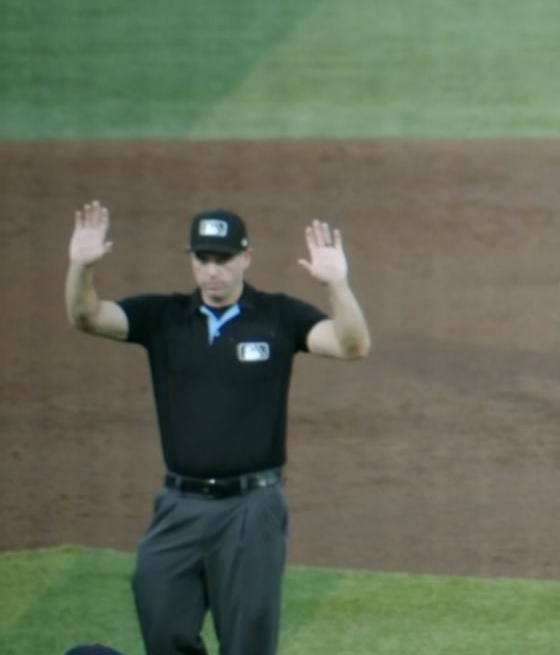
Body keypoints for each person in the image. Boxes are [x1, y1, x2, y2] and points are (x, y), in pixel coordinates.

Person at [65, 202, 371, 655]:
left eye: (223, 259)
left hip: (252, 509)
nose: (212, 271)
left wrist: (338, 285)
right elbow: (86, 316)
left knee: (247, 643)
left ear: (245, 258)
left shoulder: (279, 317)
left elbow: (352, 345)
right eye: (202, 259)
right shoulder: (163, 317)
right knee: (164, 629)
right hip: (178, 506)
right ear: (191, 260)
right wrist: (81, 267)